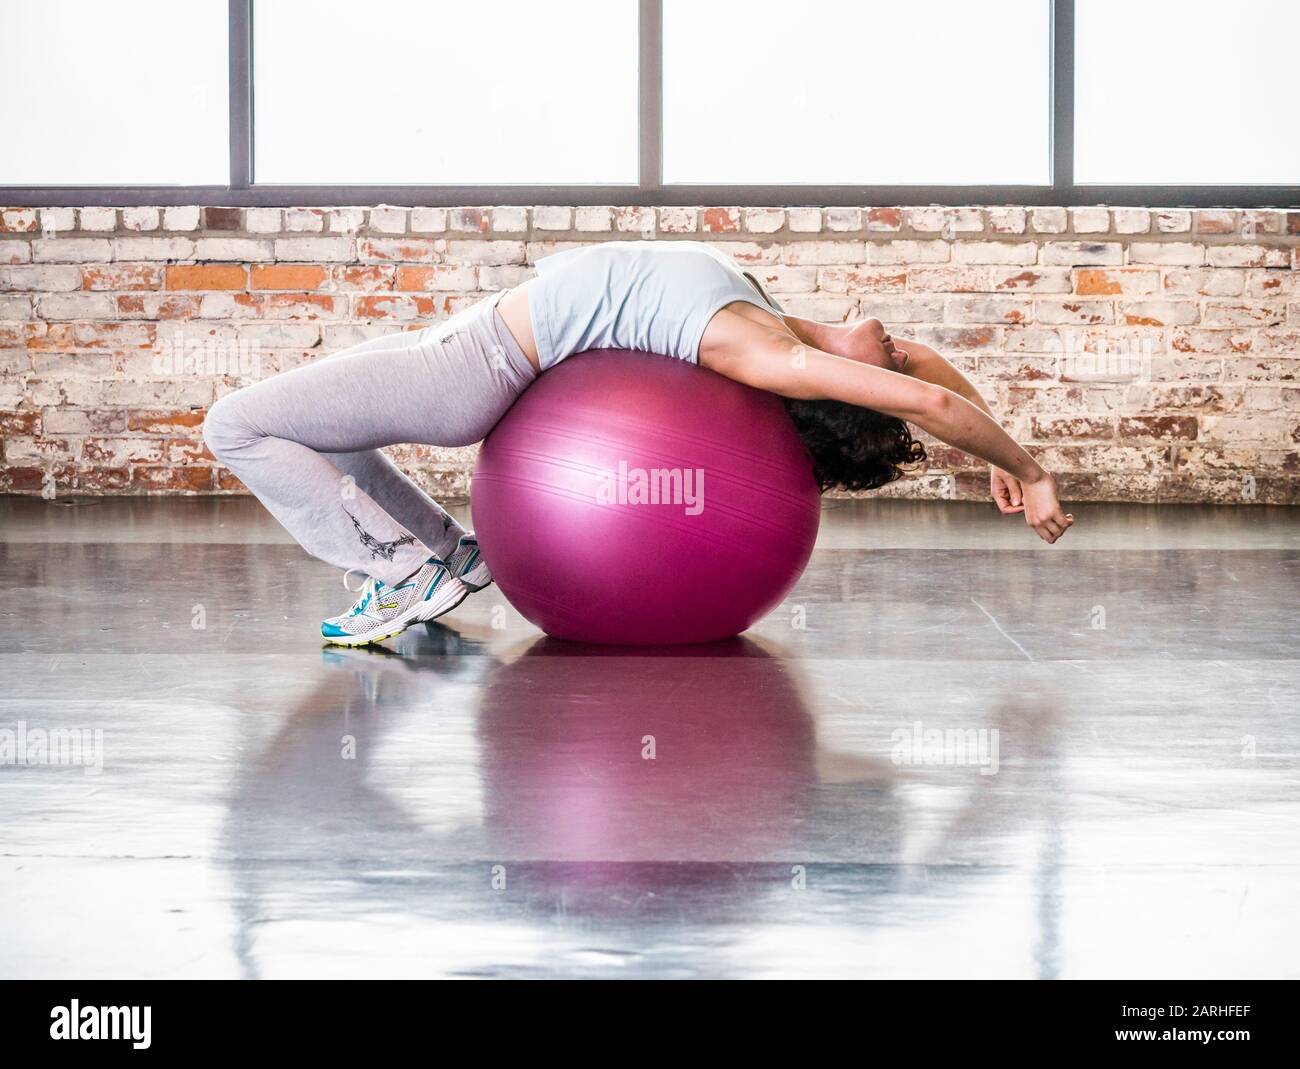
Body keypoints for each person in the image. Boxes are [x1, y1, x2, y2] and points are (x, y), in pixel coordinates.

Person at [204, 239, 1073, 646]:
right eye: (896, 345)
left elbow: (917, 394)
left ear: (851, 395)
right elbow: (927, 374)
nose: (897, 341)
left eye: (882, 361)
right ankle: (445, 557)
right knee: (319, 432)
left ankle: (401, 573)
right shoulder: (772, 316)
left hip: (473, 367)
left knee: (235, 425)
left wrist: (1025, 468)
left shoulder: (767, 351)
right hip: (463, 345)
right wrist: (995, 446)